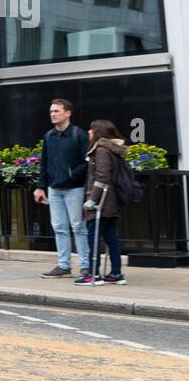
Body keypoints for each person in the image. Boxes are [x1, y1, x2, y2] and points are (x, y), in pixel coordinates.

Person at [34, 98, 91, 280]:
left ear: (68, 113)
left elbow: (87, 162)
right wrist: (40, 187)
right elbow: (44, 163)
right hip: (54, 189)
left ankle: (86, 265)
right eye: (51, 111)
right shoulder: (49, 136)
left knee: (78, 227)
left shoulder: (78, 135)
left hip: (74, 188)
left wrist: (72, 174)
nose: (53, 114)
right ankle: (64, 265)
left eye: (57, 111)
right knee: (59, 227)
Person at [77, 120, 129, 286]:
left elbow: (102, 177)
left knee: (93, 239)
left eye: (91, 129)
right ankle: (116, 273)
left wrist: (92, 200)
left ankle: (93, 274)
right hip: (110, 203)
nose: (89, 132)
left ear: (98, 132)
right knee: (111, 240)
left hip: (101, 204)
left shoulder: (101, 150)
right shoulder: (110, 150)